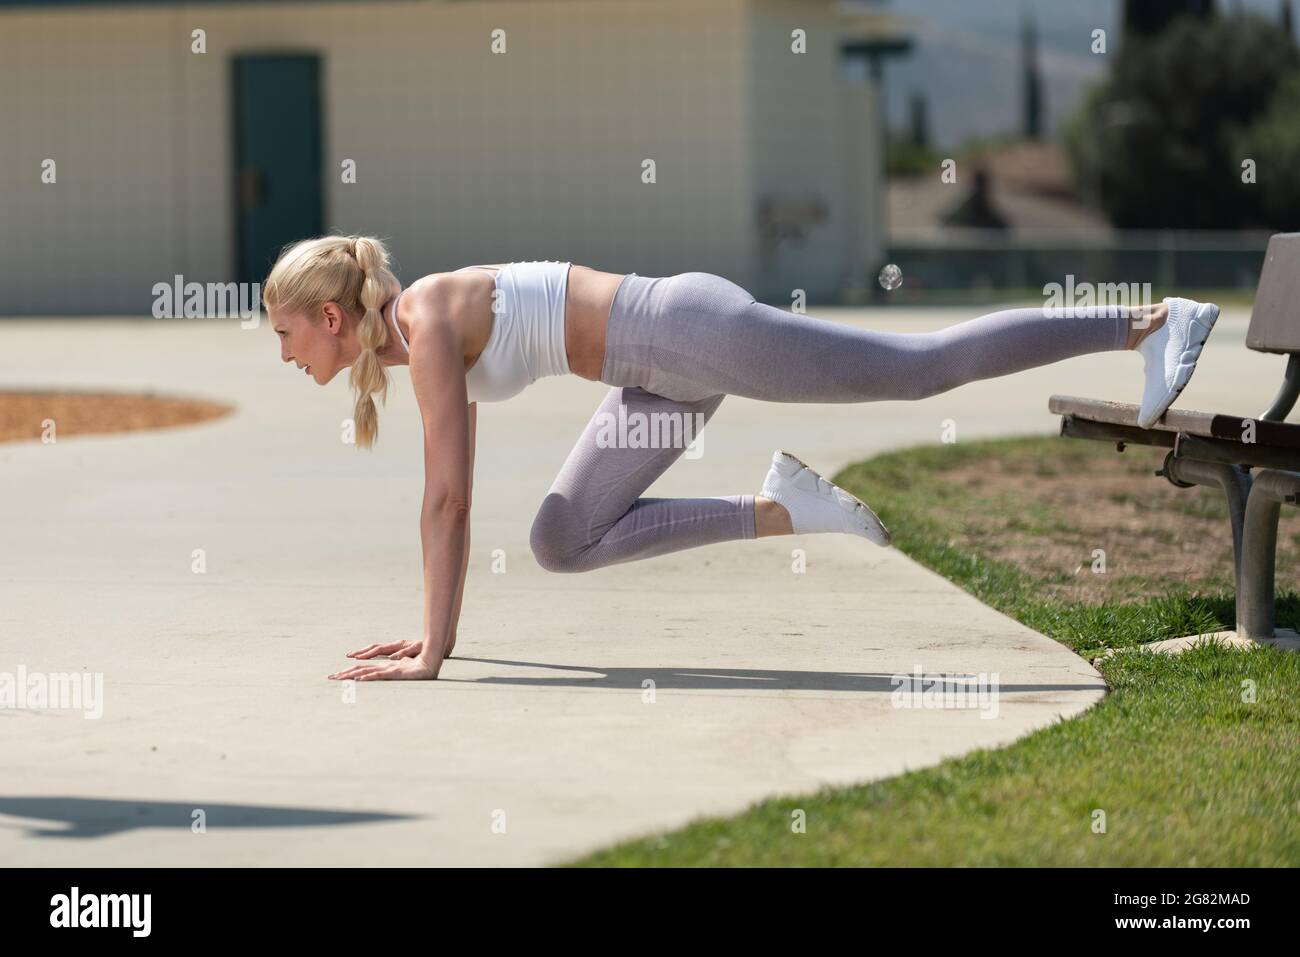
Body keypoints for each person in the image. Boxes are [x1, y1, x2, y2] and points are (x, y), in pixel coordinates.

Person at [260, 235, 1219, 681]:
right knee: (562, 535)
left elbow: (448, 504)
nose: (286, 353)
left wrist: (434, 650)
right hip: (658, 373)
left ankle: (1148, 322)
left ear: (332, 316)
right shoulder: (404, 333)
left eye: (287, 333)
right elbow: (452, 506)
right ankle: (784, 507)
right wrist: (434, 639)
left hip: (685, 331)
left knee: (920, 369)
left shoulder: (423, 324)